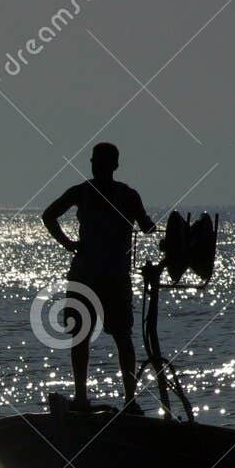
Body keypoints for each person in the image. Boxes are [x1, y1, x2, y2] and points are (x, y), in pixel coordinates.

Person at [42, 142, 155, 409]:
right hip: (88, 276)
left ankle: (129, 400)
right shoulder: (84, 192)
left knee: (120, 337)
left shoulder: (125, 195)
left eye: (102, 163)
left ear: (114, 165)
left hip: (109, 277)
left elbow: (147, 226)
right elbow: (49, 216)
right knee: (84, 336)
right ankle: (86, 398)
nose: (98, 167)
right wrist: (68, 244)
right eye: (96, 162)